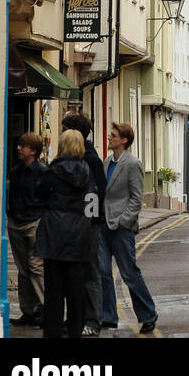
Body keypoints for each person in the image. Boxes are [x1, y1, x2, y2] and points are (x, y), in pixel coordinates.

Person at [34, 129, 97, 339]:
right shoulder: (88, 173)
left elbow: (39, 194)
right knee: (76, 292)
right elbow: (93, 207)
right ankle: (75, 332)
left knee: (54, 292)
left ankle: (52, 333)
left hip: (54, 235)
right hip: (79, 236)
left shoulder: (53, 171)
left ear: (62, 146)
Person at [99, 122, 158, 334]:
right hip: (104, 225)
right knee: (103, 271)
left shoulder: (133, 163)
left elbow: (136, 197)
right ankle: (108, 316)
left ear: (123, 140)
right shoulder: (106, 162)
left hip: (121, 227)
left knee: (129, 273)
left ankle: (148, 315)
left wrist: (123, 220)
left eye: (113, 135)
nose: (109, 138)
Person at [61, 112, 106, 337]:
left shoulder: (91, 159)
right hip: (74, 225)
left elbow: (98, 194)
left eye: (65, 129)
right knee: (75, 274)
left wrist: (88, 221)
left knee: (90, 274)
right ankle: (76, 318)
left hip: (88, 226)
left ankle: (92, 320)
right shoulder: (76, 158)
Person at [7, 132, 48, 326]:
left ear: (33, 151)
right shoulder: (15, 172)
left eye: (23, 145)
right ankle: (28, 310)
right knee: (23, 270)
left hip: (34, 223)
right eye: (19, 145)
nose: (18, 148)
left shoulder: (42, 172)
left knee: (36, 267)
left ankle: (46, 309)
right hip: (16, 223)